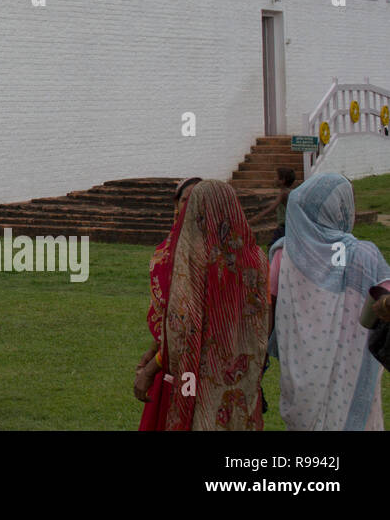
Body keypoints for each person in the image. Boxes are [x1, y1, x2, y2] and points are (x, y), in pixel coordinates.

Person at [134, 179, 269, 429]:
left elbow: (183, 333)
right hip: (242, 375)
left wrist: (151, 370)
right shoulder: (256, 257)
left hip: (199, 379)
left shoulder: (194, 261)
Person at [270, 173, 390, 430]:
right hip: (352, 376)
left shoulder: (282, 255)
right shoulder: (364, 256)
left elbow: (270, 319)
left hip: (301, 384)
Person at [252, 166, 297, 246]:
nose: (274, 179)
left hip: (284, 227)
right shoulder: (289, 192)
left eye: (276, 177)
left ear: (282, 180)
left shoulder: (283, 193)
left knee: (273, 246)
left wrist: (258, 216)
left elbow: (273, 207)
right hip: (289, 226)